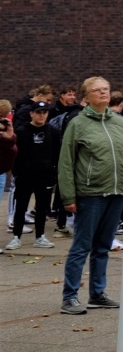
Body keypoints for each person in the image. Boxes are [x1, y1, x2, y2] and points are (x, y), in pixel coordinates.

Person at [58, 77, 123, 315]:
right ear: (86, 97)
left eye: (106, 89)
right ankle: (69, 297)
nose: (103, 93)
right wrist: (68, 196)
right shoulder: (77, 124)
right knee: (82, 246)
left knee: (103, 247)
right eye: (97, 90)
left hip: (117, 192)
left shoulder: (121, 123)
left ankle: (97, 294)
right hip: (90, 194)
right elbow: (66, 162)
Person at [8, 101, 57, 250]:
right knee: (21, 207)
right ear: (32, 113)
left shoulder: (53, 131)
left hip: (44, 176)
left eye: (44, 112)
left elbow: (56, 153)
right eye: (38, 112)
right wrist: (17, 173)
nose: (41, 115)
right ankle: (16, 237)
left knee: (42, 208)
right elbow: (15, 153)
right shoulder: (22, 131)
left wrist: (53, 173)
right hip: (25, 177)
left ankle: (40, 237)